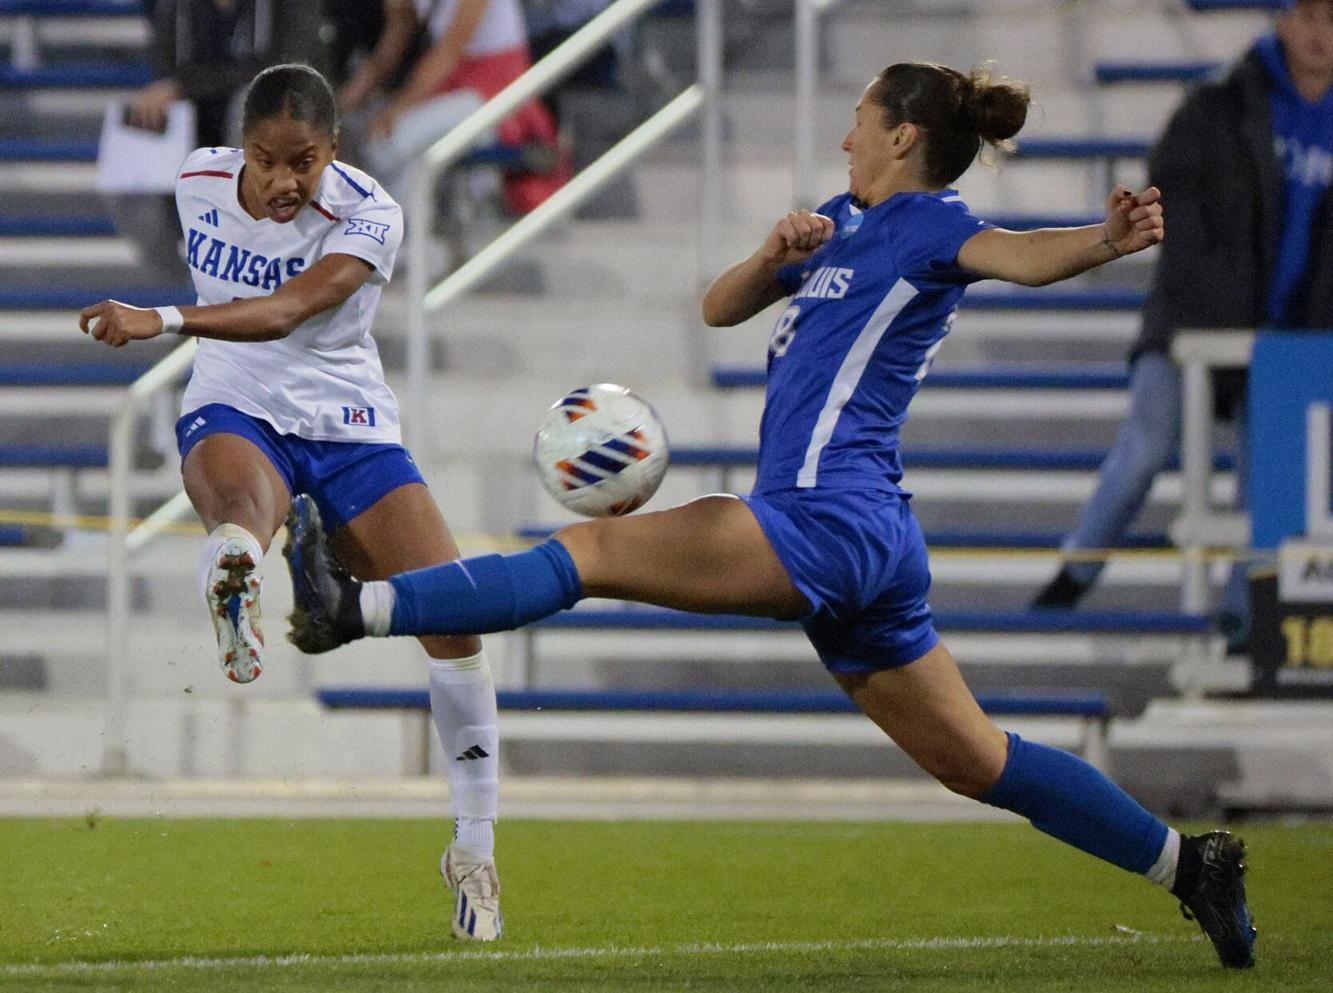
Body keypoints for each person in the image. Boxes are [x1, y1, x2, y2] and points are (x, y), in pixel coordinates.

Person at [282, 62, 1257, 969]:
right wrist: (771, 255)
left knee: (588, 552)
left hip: (827, 521)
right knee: (976, 761)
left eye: (860, 123)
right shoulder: (844, 221)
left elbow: (1021, 258)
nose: (845, 140)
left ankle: (353, 609)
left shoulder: (928, 225)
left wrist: (1104, 240)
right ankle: (1188, 866)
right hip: (860, 536)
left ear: (904, 137)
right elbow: (717, 310)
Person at [79, 64, 504, 943]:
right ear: (241, 150)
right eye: (267, 161)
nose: (283, 182)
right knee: (242, 507)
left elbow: (286, 310)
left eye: (302, 162)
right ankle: (238, 569)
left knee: (456, 620)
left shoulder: (369, 212)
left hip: (347, 423)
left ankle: (473, 844)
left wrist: (159, 318)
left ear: (333, 150)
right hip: (236, 402)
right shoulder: (198, 176)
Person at [1032, 0, 1333, 639]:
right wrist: (1219, 322)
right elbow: (1180, 211)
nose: (1320, 34)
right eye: (1307, 15)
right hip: (1193, 322)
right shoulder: (1217, 105)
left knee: (1269, 482)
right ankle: (1070, 579)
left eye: (1331, 19)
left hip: (1290, 340)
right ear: (1280, 19)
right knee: (1145, 449)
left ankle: (1243, 625)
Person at [107, 0, 327, 283]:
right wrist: (163, 95)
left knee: (251, 105)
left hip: (277, 151)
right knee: (130, 157)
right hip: (194, 137)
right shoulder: (174, 8)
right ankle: (183, 287)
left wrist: (186, 87)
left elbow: (288, 74)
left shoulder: (287, 7)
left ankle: (260, 261)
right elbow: (165, 68)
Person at [355, 0, 566, 215]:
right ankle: (403, 234)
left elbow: (449, 52)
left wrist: (397, 109)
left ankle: (405, 234)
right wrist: (345, 100)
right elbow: (393, 43)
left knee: (392, 139)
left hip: (497, 95)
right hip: (450, 88)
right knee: (360, 128)